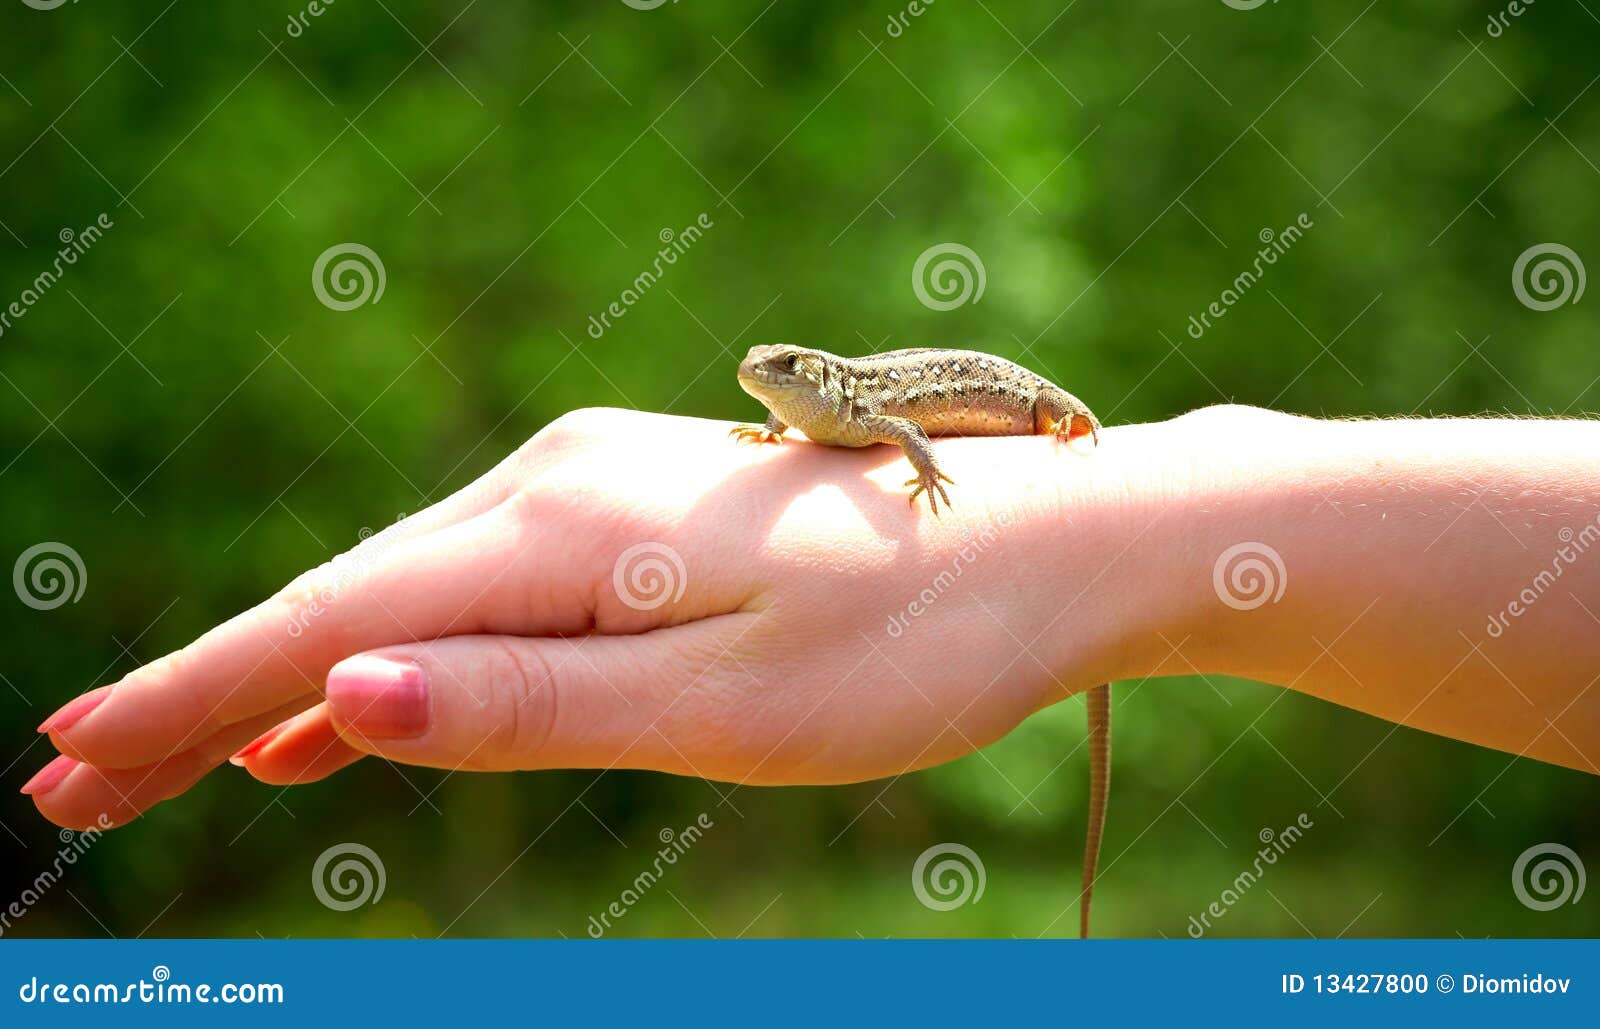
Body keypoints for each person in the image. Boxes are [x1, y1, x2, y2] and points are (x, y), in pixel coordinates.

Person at [22, 404, 1600, 830]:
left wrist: (1093, 521)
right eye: (774, 388)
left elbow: (927, 437)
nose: (772, 393)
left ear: (818, 383)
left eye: (786, 380)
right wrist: (1165, 527)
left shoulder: (874, 418)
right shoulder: (808, 416)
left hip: (1008, 431)